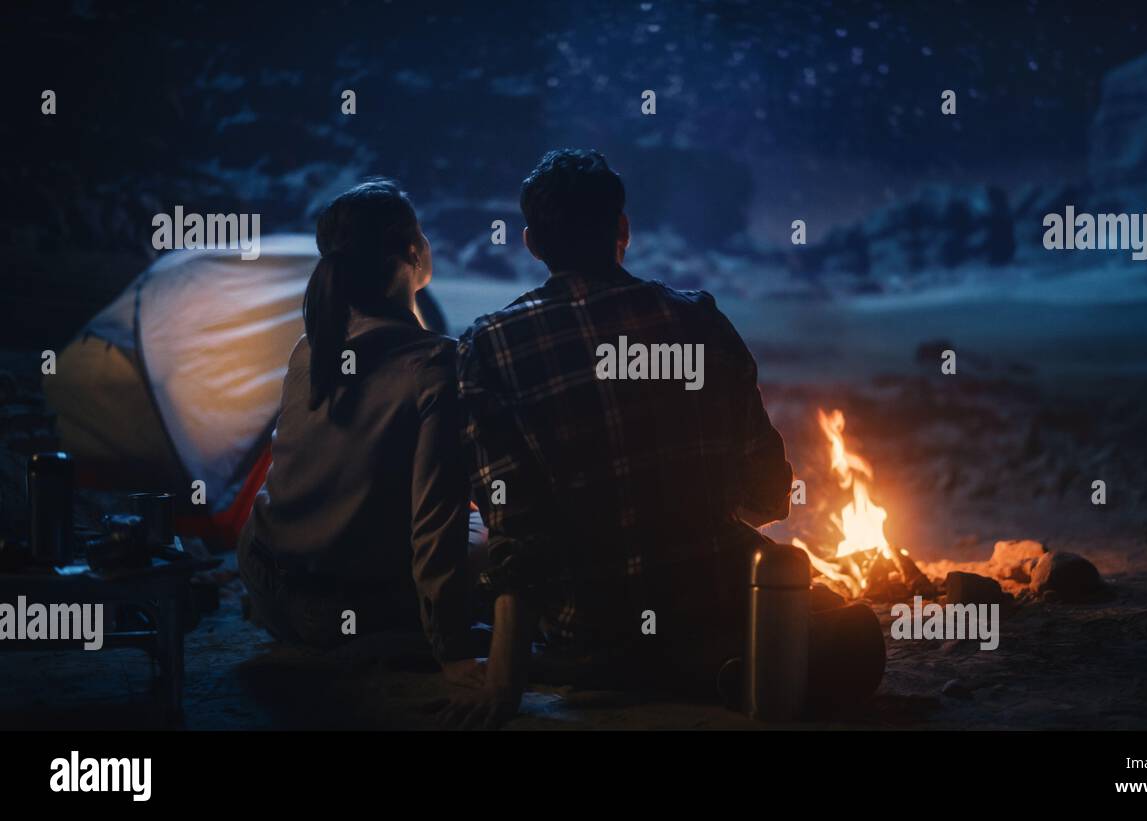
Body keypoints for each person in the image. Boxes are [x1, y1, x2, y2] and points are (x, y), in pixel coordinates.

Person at [437, 150, 883, 729]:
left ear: (531, 243)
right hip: (719, 604)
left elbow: (514, 530)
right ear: (622, 229)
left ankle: (663, 667)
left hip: (588, 631)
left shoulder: (487, 346)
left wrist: (504, 681)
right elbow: (770, 492)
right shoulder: (697, 320)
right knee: (846, 621)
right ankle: (718, 666)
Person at [238, 179, 480, 672]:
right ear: (413, 251)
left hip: (268, 585)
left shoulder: (310, 348)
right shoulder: (437, 364)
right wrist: (453, 653)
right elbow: (436, 524)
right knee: (487, 537)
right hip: (347, 610)